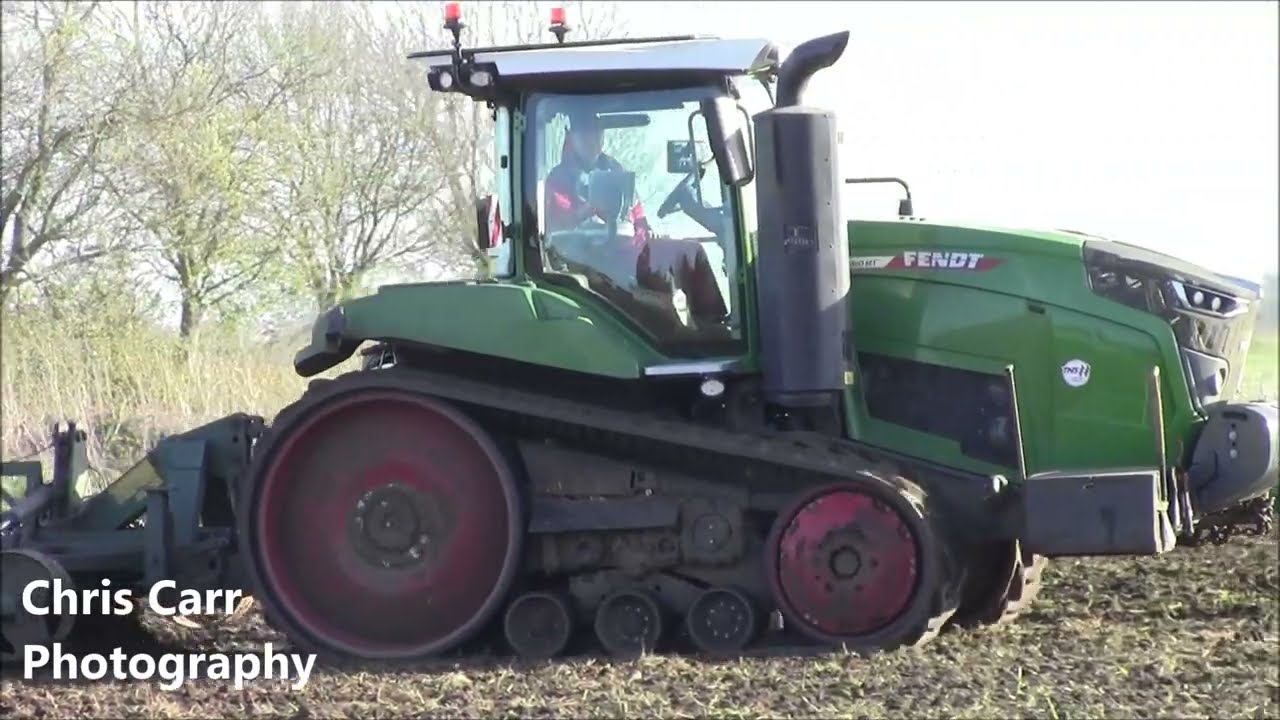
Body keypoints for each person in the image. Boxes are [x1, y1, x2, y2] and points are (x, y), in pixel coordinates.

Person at [541, 110, 729, 334]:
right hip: (591, 260)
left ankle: (715, 330)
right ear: (571, 136)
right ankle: (671, 335)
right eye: (587, 133)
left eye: (598, 133)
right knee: (658, 297)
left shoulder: (614, 168)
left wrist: (645, 232)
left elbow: (637, 212)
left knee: (690, 254)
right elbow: (559, 231)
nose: (594, 139)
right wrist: (589, 207)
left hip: (631, 251)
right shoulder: (558, 179)